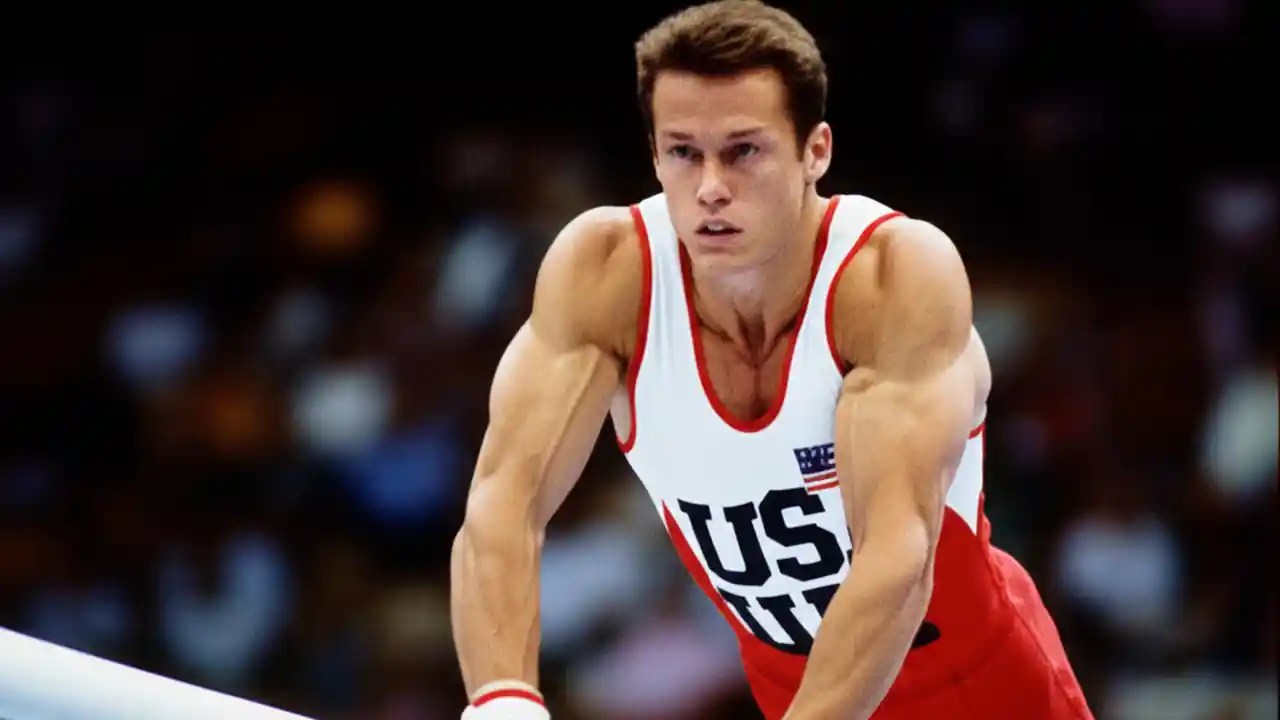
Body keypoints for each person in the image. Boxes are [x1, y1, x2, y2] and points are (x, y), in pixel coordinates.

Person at [450, 1, 1095, 718]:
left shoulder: (887, 277)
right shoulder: (605, 273)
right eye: (683, 152)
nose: (711, 187)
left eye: (743, 150)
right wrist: (502, 697)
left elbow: (898, 563)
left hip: (976, 683)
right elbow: (502, 504)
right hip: (790, 686)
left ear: (815, 151)